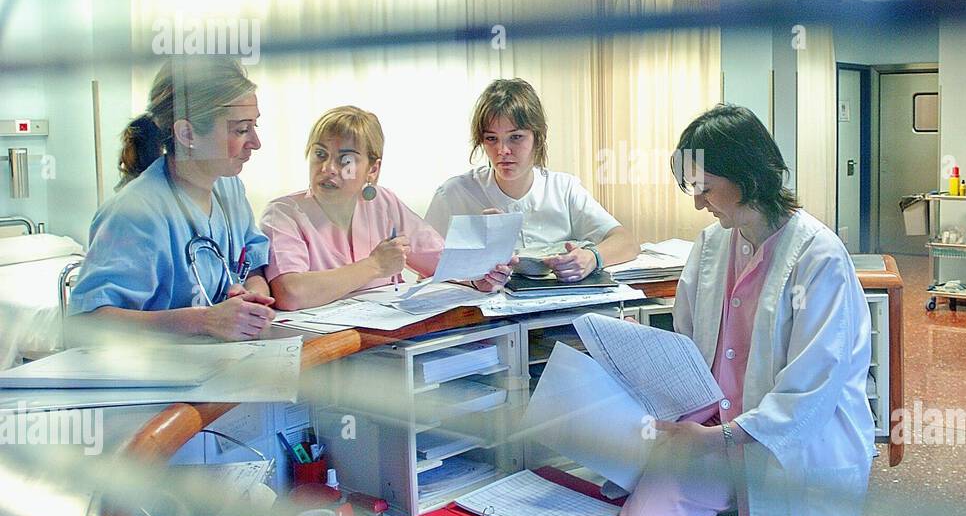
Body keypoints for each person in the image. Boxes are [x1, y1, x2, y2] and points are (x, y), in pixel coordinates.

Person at [606, 104, 874, 516]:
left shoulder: (819, 258)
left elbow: (810, 394)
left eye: (704, 188)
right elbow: (688, 351)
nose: (697, 204)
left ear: (748, 176)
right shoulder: (711, 247)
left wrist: (726, 437)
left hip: (788, 454)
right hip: (706, 439)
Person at [68, 57, 276, 341]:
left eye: (255, 126)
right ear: (187, 133)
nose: (255, 142)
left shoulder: (230, 189)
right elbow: (88, 322)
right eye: (240, 130)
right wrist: (205, 320)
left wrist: (253, 298)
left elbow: (252, 264)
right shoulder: (138, 212)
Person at [261, 106, 509, 311]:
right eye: (320, 154)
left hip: (387, 344)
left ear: (372, 169)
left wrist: (481, 272)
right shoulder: (284, 213)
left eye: (344, 159)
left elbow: (443, 262)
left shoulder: (383, 203)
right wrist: (375, 266)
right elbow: (291, 292)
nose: (328, 168)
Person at [425, 78, 637, 280]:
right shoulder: (453, 194)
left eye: (515, 137)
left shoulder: (563, 188)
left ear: (537, 137)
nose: (502, 150)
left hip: (557, 310)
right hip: (481, 313)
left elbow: (626, 242)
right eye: (491, 139)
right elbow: (425, 274)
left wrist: (592, 258)